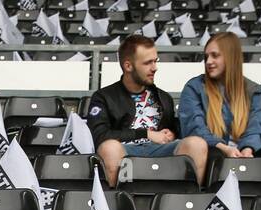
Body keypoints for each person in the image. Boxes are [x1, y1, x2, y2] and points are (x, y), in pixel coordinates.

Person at [88, 34, 209, 187]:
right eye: (147, 63)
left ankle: (185, 201)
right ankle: (115, 202)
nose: (154, 68)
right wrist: (146, 134)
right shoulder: (104, 97)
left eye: (155, 61)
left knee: (196, 144)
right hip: (125, 153)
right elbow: (99, 136)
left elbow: (174, 130)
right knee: (109, 147)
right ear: (128, 66)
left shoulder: (163, 98)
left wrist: (172, 133)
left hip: (160, 152)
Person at [178, 31, 261, 160]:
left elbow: (256, 125)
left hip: (244, 149)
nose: (208, 61)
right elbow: (195, 128)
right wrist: (225, 148)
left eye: (215, 56)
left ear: (231, 57)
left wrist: (247, 149)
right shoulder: (194, 88)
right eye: (206, 57)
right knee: (216, 157)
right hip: (214, 148)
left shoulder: (254, 91)